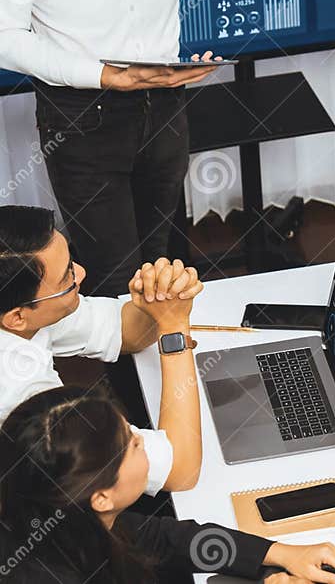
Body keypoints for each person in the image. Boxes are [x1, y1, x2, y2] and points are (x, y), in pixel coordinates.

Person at [0, 0, 306, 297]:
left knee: (161, 271)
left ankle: (171, 355)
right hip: (80, 114)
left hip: (164, 103)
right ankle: (133, 353)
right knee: (116, 283)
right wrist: (105, 75)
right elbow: (5, 35)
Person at [0, 386, 335, 584]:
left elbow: (162, 538)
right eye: (133, 444)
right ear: (101, 497)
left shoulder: (64, 517)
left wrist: (282, 553)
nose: (146, 440)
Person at [0, 204, 204, 495]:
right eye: (67, 277)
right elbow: (180, 471)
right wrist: (174, 331)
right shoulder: (22, 392)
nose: (81, 273)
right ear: (17, 317)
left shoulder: (21, 309)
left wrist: (160, 295)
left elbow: (125, 331)